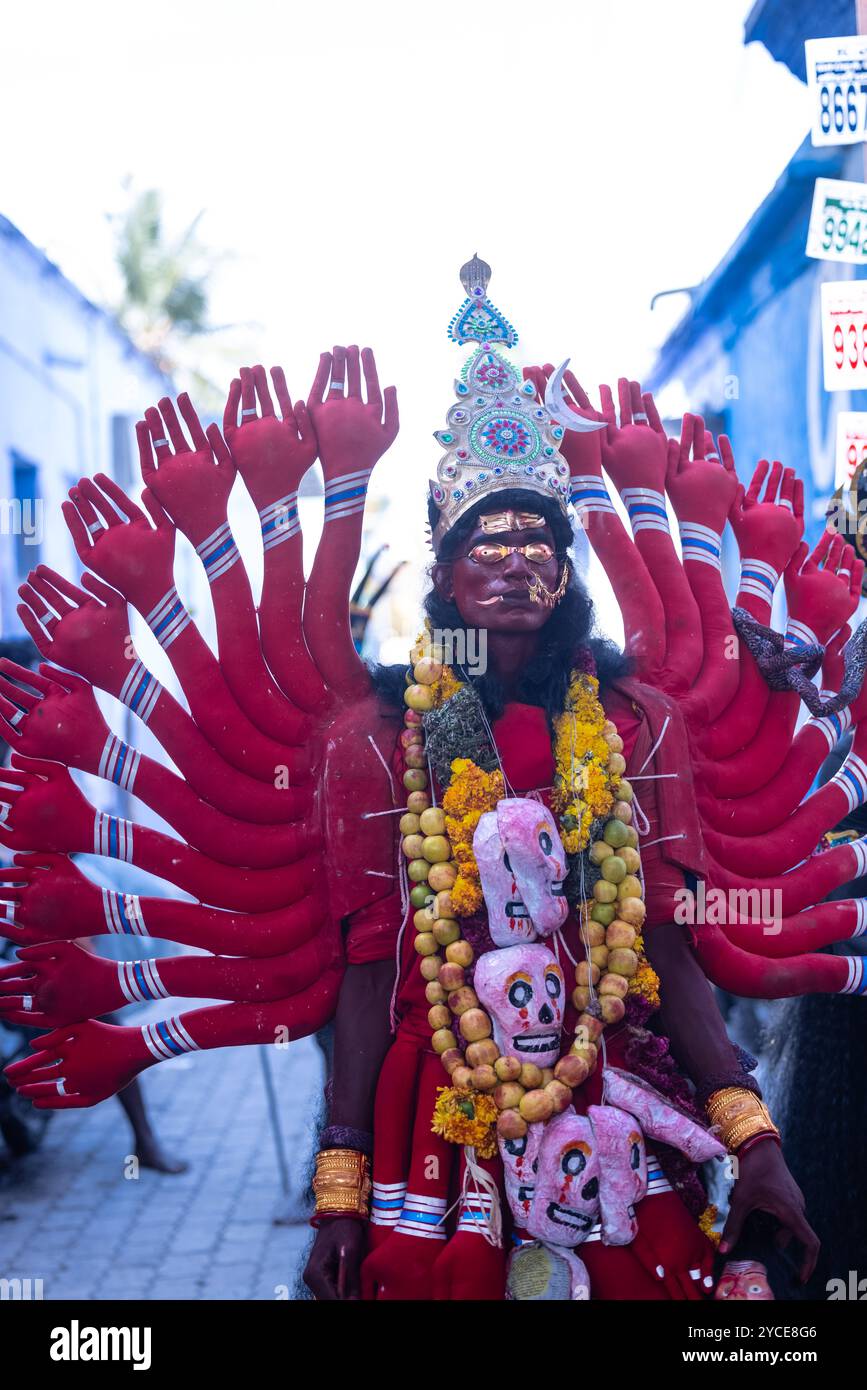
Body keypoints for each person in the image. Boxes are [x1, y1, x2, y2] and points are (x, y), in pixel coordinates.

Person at [2, 256, 863, 1301]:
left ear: (570, 569)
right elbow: (368, 980)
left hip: (622, 1097)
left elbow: (674, 961)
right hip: (438, 1116)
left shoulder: (638, 723)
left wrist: (754, 1136)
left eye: (539, 541)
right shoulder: (373, 736)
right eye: (483, 543)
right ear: (442, 569)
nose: (513, 564)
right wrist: (338, 1189)